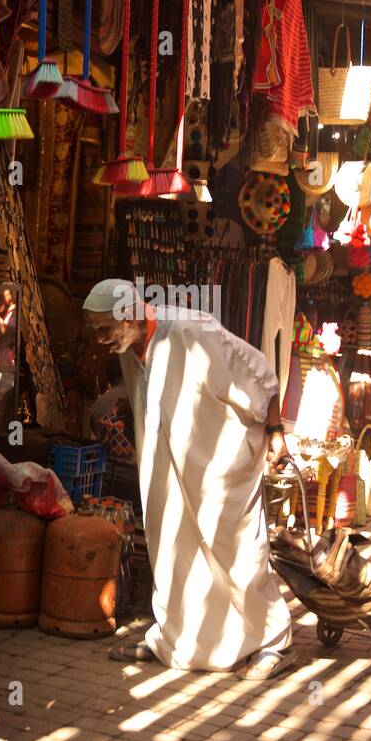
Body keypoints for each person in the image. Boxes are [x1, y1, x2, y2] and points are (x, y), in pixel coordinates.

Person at [82, 278, 293, 680]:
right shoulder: (129, 350)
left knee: (235, 552)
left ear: (128, 314)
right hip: (169, 472)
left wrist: (276, 431)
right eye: (95, 331)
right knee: (174, 552)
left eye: (103, 329)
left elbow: (261, 374)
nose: (100, 340)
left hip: (223, 467)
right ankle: (175, 637)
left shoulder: (191, 329)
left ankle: (273, 640)